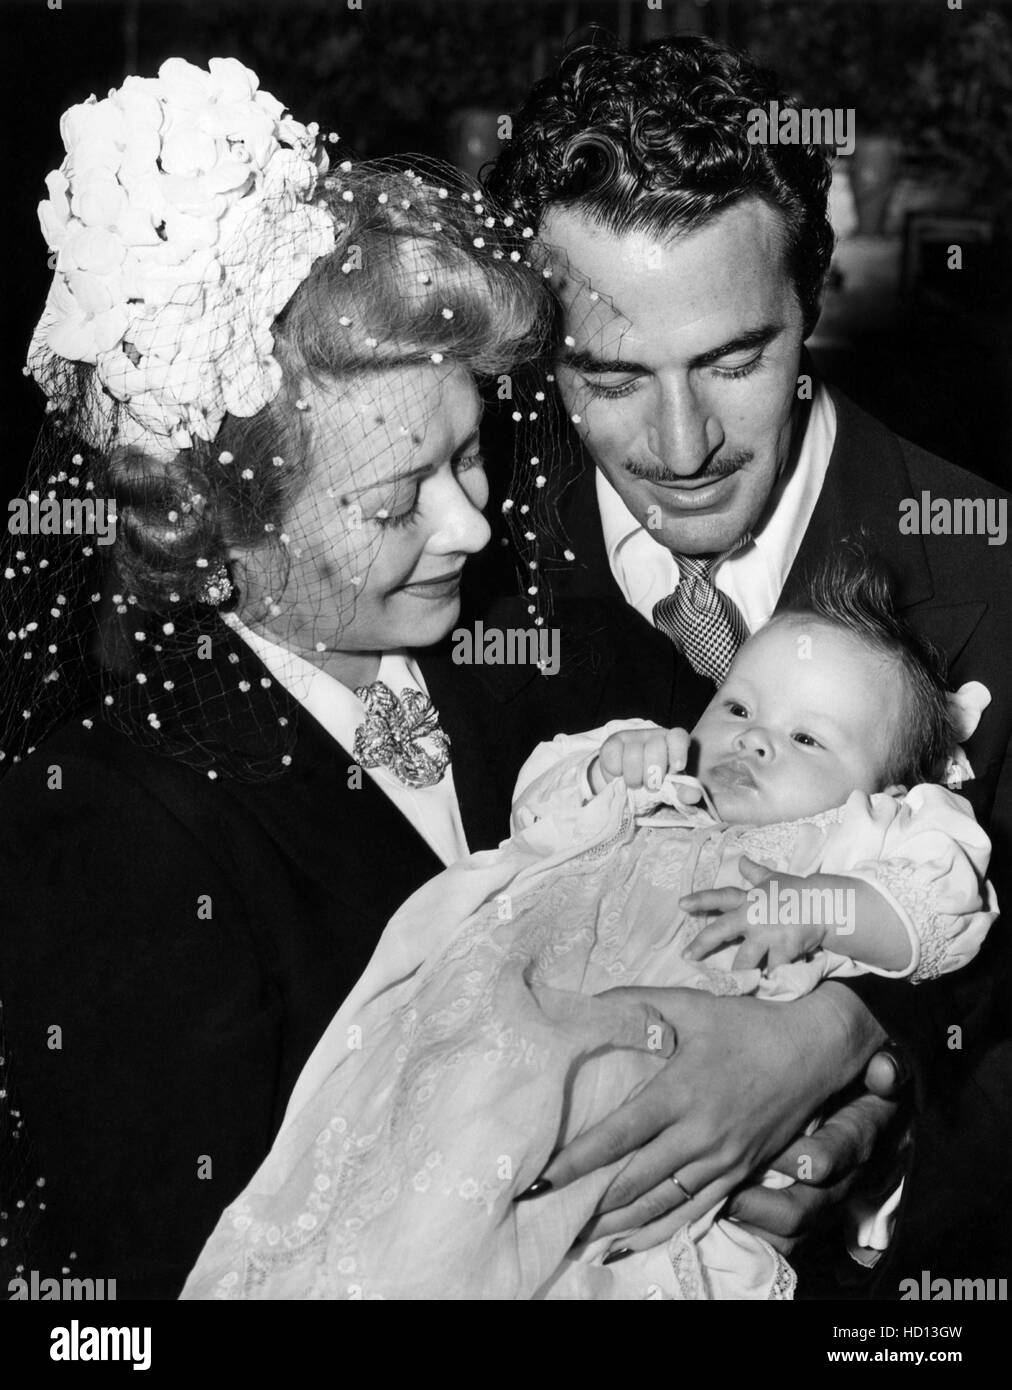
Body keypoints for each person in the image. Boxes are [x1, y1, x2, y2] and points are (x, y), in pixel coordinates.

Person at [0, 59, 664, 1299]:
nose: (471, 526)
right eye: (395, 497)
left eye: (471, 456)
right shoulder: (110, 827)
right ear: (221, 533)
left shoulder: (519, 631)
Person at [481, 32, 1012, 1286]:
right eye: (607, 377)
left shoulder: (988, 573)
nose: (680, 446)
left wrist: (857, 1083)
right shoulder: (455, 563)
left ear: (815, 304)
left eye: (734, 361)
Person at [179, 557, 996, 1300]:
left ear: (888, 791)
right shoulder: (660, 790)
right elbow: (536, 810)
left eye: (808, 739)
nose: (752, 736)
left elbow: (940, 909)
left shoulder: (861, 835)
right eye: (740, 704)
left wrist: (806, 905)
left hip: (660, 1103)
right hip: (509, 1042)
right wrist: (609, 767)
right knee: (411, 1203)